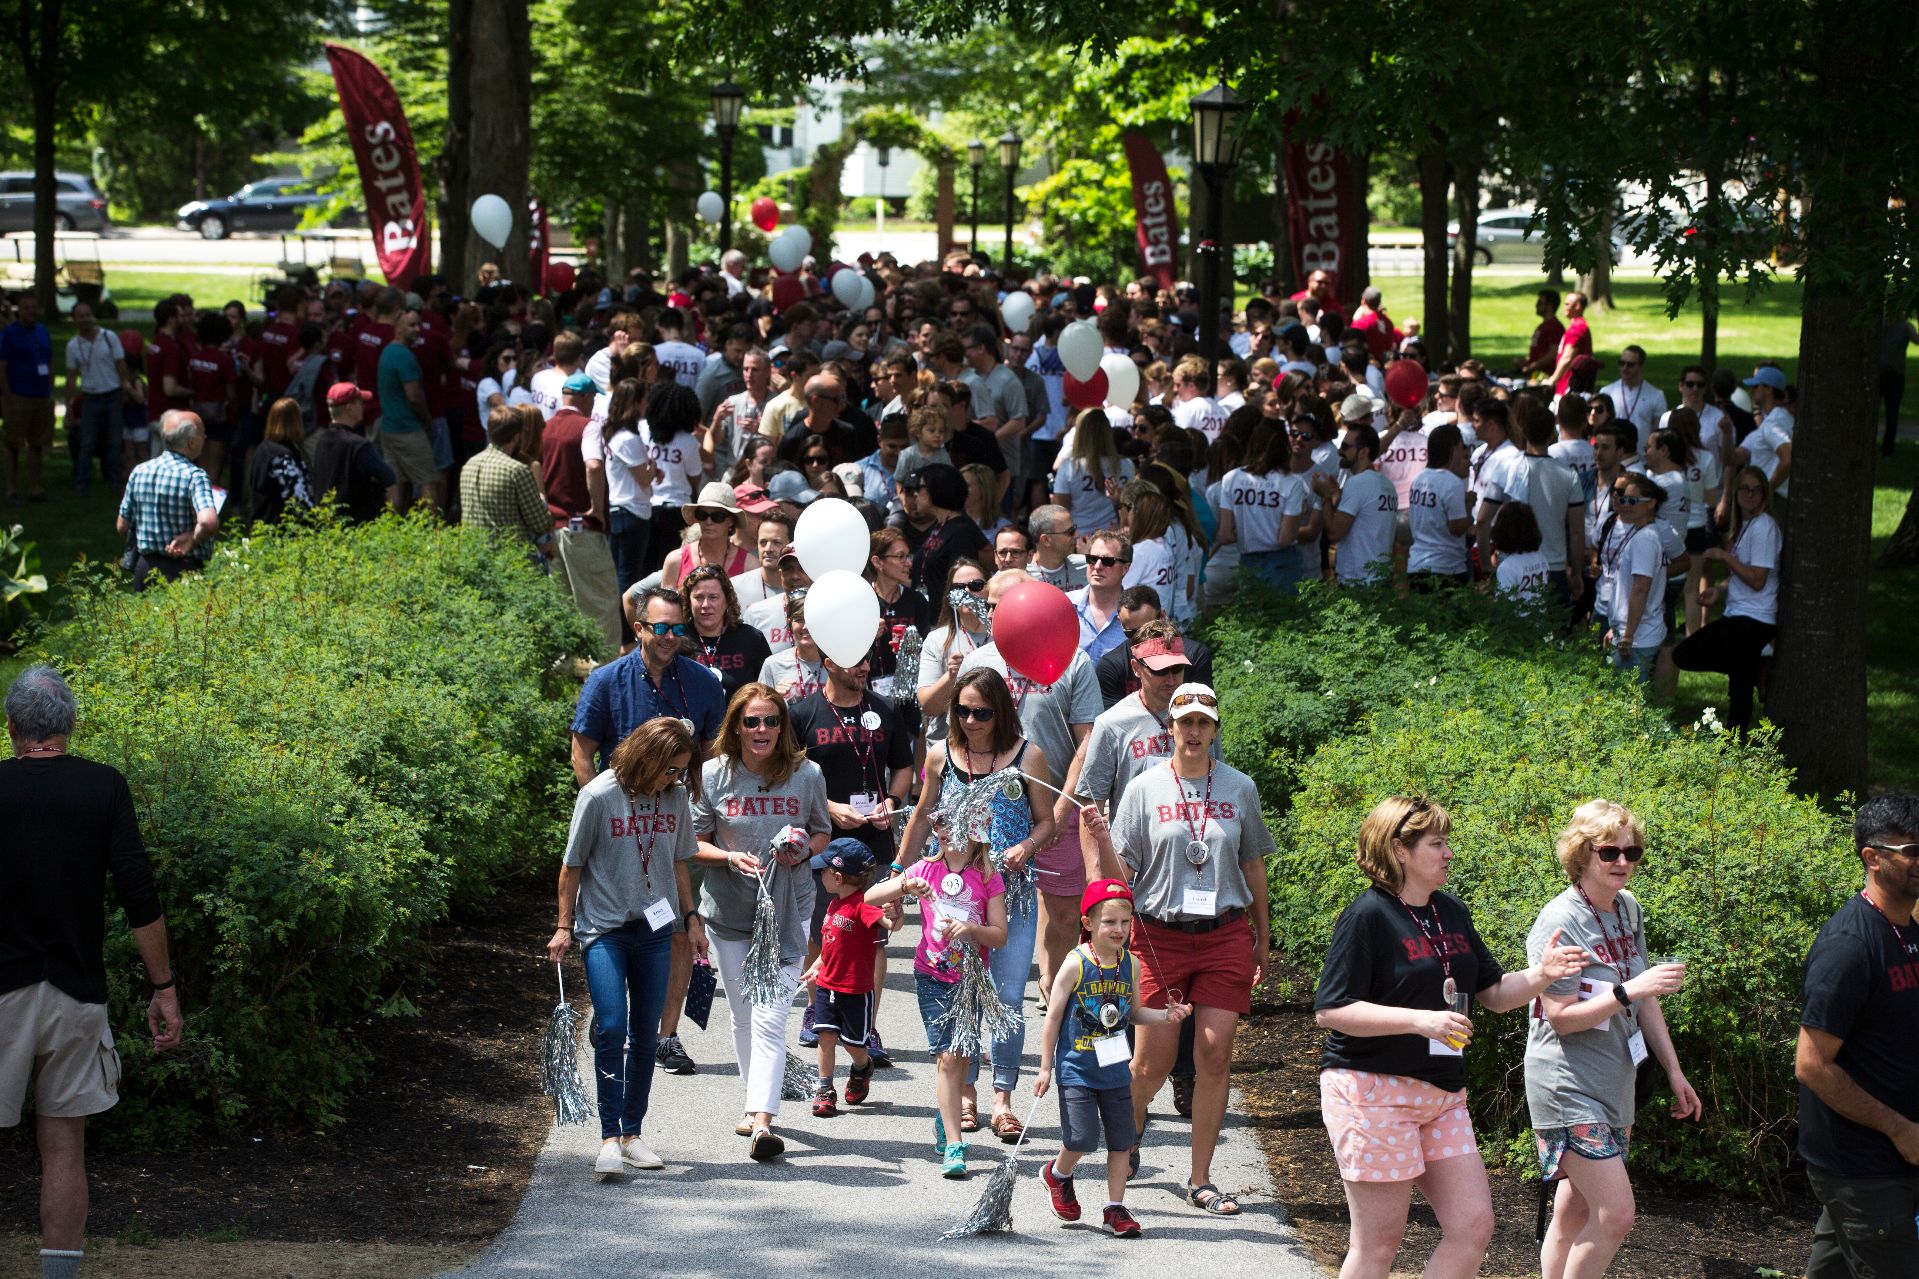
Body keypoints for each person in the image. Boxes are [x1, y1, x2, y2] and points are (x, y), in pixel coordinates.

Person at [1313, 796, 1589, 1279]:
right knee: (1379, 1243)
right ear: (1400, 849)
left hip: (1443, 1092)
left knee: (1473, 1226)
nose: (1448, 854)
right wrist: (1420, 1021)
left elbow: (1496, 994)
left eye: (1447, 843)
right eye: (1436, 844)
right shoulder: (1368, 916)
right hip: (1372, 1091)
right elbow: (1333, 1010)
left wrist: (1542, 975)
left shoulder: (1450, 912)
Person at [2, 666, 184, 1279]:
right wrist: (164, 989)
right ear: (70, 725)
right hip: (76, 995)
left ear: (11, 729)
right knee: (63, 1149)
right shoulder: (104, 787)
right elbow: (138, 890)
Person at [1079, 681, 1271, 1215]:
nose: (1192, 731)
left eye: (1202, 722)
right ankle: (1131, 1133)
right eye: (1183, 721)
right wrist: (1099, 838)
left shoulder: (1239, 788)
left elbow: (1252, 862)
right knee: (1151, 1064)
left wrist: (1263, 933)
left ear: (1214, 729)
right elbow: (1125, 874)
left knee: (1215, 1051)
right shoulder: (1143, 789)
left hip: (1225, 933)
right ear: (1171, 728)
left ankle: (1201, 1179)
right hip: (1158, 935)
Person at [1527, 800, 1701, 1279]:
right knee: (1616, 1215)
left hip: (1614, 1082)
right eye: (1609, 852)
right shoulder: (1560, 920)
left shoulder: (1628, 910)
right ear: (1582, 855)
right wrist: (1631, 989)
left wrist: (1673, 1070)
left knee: (1574, 1213)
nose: (1623, 862)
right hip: (1566, 1085)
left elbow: (1646, 1002)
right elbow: (1560, 1018)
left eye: (1632, 852)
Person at [896, 666, 1057, 1141]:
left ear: (1000, 711)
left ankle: (1003, 1098)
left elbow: (1048, 824)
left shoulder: (1029, 756)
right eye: (962, 711)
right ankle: (964, 1092)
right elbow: (923, 818)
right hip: (952, 900)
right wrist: (898, 872)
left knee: (1007, 998)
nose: (970, 720)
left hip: (1010, 895)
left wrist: (1025, 848)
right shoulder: (940, 756)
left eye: (981, 712)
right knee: (960, 992)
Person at [546, 717, 707, 1175]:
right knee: (612, 1025)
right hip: (604, 930)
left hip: (655, 929)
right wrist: (564, 926)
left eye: (679, 771)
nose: (673, 779)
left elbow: (678, 862)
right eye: (668, 769)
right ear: (646, 757)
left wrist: (691, 918)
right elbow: (571, 867)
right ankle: (608, 1138)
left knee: (645, 1034)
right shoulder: (598, 795)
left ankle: (633, 1134)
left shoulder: (675, 799)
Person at [689, 683, 831, 1160]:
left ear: (783, 726)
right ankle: (753, 1106)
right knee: (744, 1015)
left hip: (789, 912)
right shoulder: (712, 774)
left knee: (770, 1017)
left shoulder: (806, 773)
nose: (762, 730)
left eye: (771, 720)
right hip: (729, 912)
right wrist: (728, 859)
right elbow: (694, 843)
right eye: (752, 721)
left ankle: (764, 1123)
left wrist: (800, 850)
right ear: (736, 726)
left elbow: (821, 833)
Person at [1794, 792, 1919, 1279]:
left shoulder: (1907, 932)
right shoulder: (1849, 946)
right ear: (1873, 858)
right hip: (1864, 1167)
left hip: (1893, 1161)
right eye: (1912, 850)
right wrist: (1900, 1129)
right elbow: (1811, 1064)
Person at [1035, 878, 1194, 1239]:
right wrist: (1046, 1067)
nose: (1118, 929)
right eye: (1109, 922)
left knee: (1123, 1140)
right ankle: (1057, 1174)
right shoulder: (1076, 963)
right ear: (1088, 923)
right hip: (1077, 1068)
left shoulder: (1132, 965)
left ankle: (1114, 1207)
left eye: (1125, 922)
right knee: (1081, 1138)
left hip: (1116, 1070)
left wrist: (1165, 1016)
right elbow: (1054, 1018)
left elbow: (1133, 1013)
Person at [790, 651, 914, 1059]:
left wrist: (891, 800)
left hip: (873, 846)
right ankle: (816, 1011)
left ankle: (868, 1026)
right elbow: (789, 779)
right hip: (823, 843)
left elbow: (903, 767)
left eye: (867, 660)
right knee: (819, 932)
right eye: (854, 661)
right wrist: (828, 808)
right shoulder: (802, 713)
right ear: (828, 662)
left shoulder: (885, 710)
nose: (865, 668)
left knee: (872, 937)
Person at [866, 825, 1008, 1179]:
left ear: (976, 833)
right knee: (947, 1056)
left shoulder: (988, 877)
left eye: (955, 826)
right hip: (930, 975)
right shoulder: (924, 868)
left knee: (960, 1057)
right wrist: (904, 885)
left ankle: (945, 1117)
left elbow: (1000, 935)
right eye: (940, 826)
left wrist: (972, 930)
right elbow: (869, 896)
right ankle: (956, 1145)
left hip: (970, 980)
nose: (945, 832)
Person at [1673, 467, 1782, 735]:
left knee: (1691, 656)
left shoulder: (1764, 528)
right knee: (1735, 676)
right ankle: (1753, 666)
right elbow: (1745, 574)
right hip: (1740, 615)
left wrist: (1725, 557)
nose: (1748, 494)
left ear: (1764, 495)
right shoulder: (1746, 527)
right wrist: (1719, 590)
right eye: (1743, 488)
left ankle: (1734, 746)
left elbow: (1758, 579)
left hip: (1756, 619)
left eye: (1754, 489)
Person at [802, 840, 893, 1120]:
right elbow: (830, 946)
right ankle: (825, 1089)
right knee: (825, 1038)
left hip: (855, 991)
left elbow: (889, 924)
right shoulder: (833, 905)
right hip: (827, 987)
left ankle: (861, 1066)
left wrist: (894, 915)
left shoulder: (863, 905)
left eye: (824, 872)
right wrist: (816, 966)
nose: (821, 877)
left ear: (838, 877)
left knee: (853, 1044)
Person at [116, 411, 220, 589]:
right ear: (191, 441)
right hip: (183, 571)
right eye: (202, 433)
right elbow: (208, 522)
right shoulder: (195, 476)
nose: (205, 437)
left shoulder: (139, 471)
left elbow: (122, 526)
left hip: (145, 569)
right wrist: (192, 539)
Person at [1602, 472, 1673, 684]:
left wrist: (1627, 635)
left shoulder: (1645, 539)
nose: (1625, 505)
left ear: (1651, 503)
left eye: (1632, 501)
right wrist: (1616, 629)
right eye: (1623, 499)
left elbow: (1641, 588)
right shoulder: (1644, 535)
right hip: (1632, 633)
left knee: (1626, 704)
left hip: (1638, 638)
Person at [1217, 422, 1305, 592]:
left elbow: (1224, 535)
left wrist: (1250, 529)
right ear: (1283, 447)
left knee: (1252, 616)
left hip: (1248, 562)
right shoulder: (1292, 483)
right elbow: (1285, 539)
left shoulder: (1231, 478)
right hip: (1282, 563)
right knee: (1286, 616)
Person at [459, 403, 553, 558]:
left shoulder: (469, 464)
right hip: (509, 559)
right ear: (516, 437)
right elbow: (540, 522)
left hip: (474, 555)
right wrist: (543, 503)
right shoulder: (516, 470)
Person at [61, 301, 132, 497]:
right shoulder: (73, 346)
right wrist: (68, 405)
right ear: (74, 319)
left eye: (87, 315)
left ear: (93, 316)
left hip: (112, 394)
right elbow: (71, 377)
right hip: (90, 397)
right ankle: (82, 484)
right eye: (80, 316)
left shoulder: (109, 337)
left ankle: (115, 483)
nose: (85, 319)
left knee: (114, 441)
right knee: (87, 442)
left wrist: (126, 389)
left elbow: (121, 365)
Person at [1316, 423, 1397, 585]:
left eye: (1346, 447)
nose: (1340, 451)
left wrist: (1324, 497)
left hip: (1358, 583)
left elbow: (1333, 534)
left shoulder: (1357, 483)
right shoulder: (1387, 483)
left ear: (1364, 452)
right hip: (1381, 578)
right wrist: (1336, 497)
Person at [375, 308, 440, 512]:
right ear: (398, 327)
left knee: (397, 483)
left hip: (389, 428)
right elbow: (413, 397)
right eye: (411, 325)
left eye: (418, 324)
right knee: (428, 481)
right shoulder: (404, 357)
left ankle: (392, 530)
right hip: (408, 429)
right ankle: (434, 534)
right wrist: (427, 418)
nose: (417, 330)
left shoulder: (387, 352)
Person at [643, 381, 710, 570]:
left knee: (646, 565)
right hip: (677, 511)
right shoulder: (688, 441)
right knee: (672, 566)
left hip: (648, 507)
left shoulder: (643, 432)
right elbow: (695, 478)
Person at [683, 565, 772, 702]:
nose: (706, 604)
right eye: (699, 597)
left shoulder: (751, 638)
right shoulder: (678, 639)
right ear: (688, 601)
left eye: (713, 597)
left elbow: (768, 691)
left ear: (727, 601)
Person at [2, 293, 55, 502]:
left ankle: (34, 488)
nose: (31, 311)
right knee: (12, 443)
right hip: (18, 396)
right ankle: (11, 490)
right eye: (26, 307)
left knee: (37, 443)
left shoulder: (43, 331)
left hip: (41, 396)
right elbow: (2, 367)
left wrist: (50, 389)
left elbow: (49, 361)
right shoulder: (10, 334)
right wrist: (8, 397)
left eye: (34, 307)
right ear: (19, 310)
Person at [1407, 423, 1472, 590]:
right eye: (1460, 446)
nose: (1462, 452)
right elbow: (1457, 528)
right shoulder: (1452, 483)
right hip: (1447, 568)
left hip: (1417, 565)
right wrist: (1469, 505)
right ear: (1452, 448)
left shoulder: (1419, 479)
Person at [909, 461, 990, 594]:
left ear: (937, 489)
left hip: (944, 613)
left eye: (920, 487)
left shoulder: (961, 532)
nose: (915, 494)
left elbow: (962, 586)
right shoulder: (939, 526)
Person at [1052, 408, 1134, 534]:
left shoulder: (1069, 468)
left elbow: (1061, 512)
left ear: (1079, 433)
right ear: (1108, 433)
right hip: (1115, 538)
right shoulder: (1126, 465)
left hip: (1080, 539)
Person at [664, 481, 754, 591]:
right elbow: (666, 606)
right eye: (702, 515)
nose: (708, 521)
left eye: (717, 516)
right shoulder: (675, 561)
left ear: (730, 521)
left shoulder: (750, 565)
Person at [247, 396, 313, 526]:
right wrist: (317, 519)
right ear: (296, 422)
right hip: (279, 531)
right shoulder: (282, 456)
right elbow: (297, 497)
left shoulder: (263, 448)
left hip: (260, 524)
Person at [1069, 529, 1132, 661]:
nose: (1097, 566)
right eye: (1092, 559)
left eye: (1107, 561)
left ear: (1125, 568)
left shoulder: (1137, 614)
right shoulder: (1064, 605)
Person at [757, 591, 830, 703]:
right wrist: (775, 698)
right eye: (799, 620)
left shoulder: (837, 664)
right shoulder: (772, 665)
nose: (805, 626)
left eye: (811, 619)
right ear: (790, 624)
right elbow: (759, 710)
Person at [1738, 366, 1793, 503]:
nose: (1751, 391)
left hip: (1774, 500)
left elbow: (1787, 459)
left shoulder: (1772, 424)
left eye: (1756, 387)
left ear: (1768, 389)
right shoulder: (1785, 417)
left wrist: (1766, 492)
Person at [1599, 345, 1668, 453]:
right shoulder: (1607, 392)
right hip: (1612, 457)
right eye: (1621, 363)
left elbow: (1658, 432)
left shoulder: (1656, 395)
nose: (1624, 368)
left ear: (1641, 366)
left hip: (1642, 458)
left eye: (1630, 365)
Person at [895, 404, 954, 485]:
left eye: (941, 431)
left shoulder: (943, 456)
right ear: (918, 432)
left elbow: (950, 478)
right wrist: (904, 497)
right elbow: (899, 481)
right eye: (932, 430)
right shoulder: (907, 455)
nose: (937, 435)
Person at [1549, 292, 1594, 397]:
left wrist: (1553, 380)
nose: (1564, 307)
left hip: (1569, 388)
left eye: (1567, 304)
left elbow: (1567, 357)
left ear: (1577, 306)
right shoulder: (1578, 326)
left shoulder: (1577, 328)